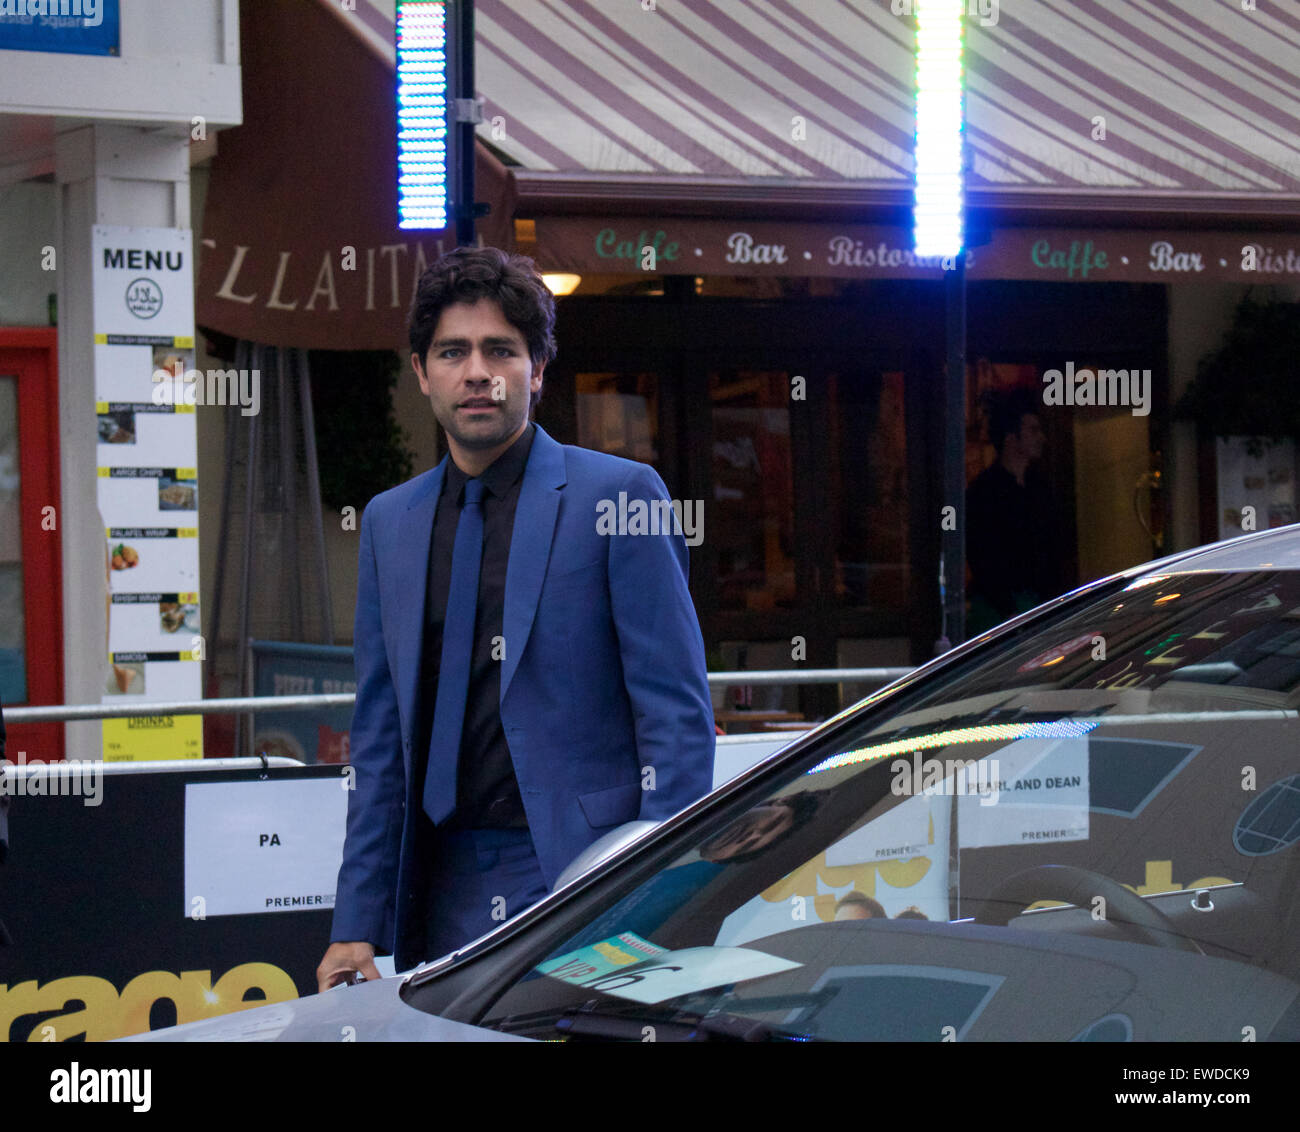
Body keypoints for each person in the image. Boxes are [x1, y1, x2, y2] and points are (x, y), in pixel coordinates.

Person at [317, 247, 716, 990]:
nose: (477, 371)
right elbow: (378, 738)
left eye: (501, 350)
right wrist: (355, 923)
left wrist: (662, 893)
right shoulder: (388, 523)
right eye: (453, 352)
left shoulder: (619, 496)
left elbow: (676, 717)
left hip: (583, 871)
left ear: (536, 371)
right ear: (421, 371)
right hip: (436, 877)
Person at [965, 388, 1061, 636]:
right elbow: (981, 555)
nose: (1041, 438)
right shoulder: (984, 492)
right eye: (1032, 430)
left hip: (1038, 606)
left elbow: (1052, 548)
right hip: (998, 611)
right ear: (1011, 438)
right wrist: (1007, 608)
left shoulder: (1039, 488)